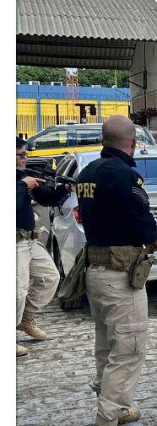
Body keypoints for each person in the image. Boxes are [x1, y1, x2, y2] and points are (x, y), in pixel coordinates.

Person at [76, 115, 157, 426]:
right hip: (119, 276)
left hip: (95, 271)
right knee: (128, 350)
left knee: (107, 346)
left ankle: (114, 408)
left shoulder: (87, 172)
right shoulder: (126, 175)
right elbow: (141, 222)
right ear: (133, 143)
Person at [16, 135, 70, 358]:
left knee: (50, 277)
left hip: (29, 239)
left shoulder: (21, 176)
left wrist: (65, 188)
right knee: (17, 290)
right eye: (20, 155)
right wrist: (22, 185)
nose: (24, 159)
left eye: (25, 154)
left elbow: (45, 197)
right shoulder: (19, 182)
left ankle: (25, 318)